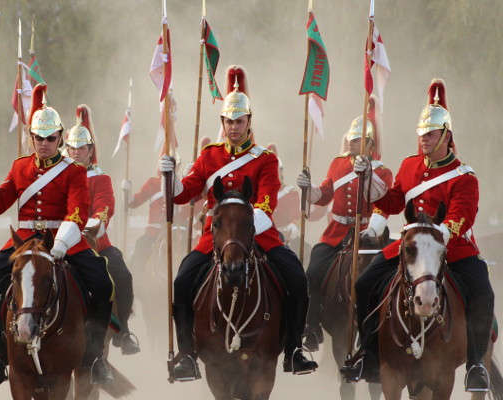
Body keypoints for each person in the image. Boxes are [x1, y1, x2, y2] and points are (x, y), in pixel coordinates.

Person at [340, 80, 494, 393]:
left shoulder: (464, 176)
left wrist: (435, 237)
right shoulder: (410, 166)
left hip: (454, 250)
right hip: (410, 245)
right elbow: (392, 202)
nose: (424, 140)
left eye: (431, 134)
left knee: (483, 293)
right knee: (364, 284)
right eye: (421, 134)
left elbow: (460, 219)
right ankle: (368, 355)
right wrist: (367, 177)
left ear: (446, 136)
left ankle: (476, 363)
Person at [165, 65, 317, 381]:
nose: (234, 127)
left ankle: (292, 349)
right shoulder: (209, 156)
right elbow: (186, 193)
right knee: (181, 284)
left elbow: (265, 203)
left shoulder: (265, 159)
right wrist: (169, 176)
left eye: (239, 121)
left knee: (298, 280)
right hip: (215, 238)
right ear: (222, 123)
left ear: (249, 122)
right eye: (229, 122)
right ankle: (187, 356)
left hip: (258, 235)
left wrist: (243, 231)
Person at [0, 84, 114, 386]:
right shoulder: (19, 167)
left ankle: (94, 358)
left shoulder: (74, 171)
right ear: (32, 138)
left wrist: (62, 244)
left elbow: (77, 211)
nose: (44, 143)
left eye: (51, 138)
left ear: (60, 138)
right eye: (39, 138)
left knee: (103, 284)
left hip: (63, 242)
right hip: (24, 242)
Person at [295, 99, 393, 351]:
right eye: (350, 138)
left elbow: (379, 196)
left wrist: (367, 172)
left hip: (368, 234)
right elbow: (325, 193)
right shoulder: (338, 164)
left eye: (357, 139)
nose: (351, 142)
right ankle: (312, 327)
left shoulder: (383, 171)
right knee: (314, 269)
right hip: (336, 233)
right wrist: (309, 189)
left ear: (370, 144)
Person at [64, 104, 140, 355]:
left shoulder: (100, 178)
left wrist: (90, 226)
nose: (76, 153)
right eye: (72, 148)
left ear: (90, 151)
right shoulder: (56, 177)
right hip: (59, 244)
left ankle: (123, 330)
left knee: (123, 276)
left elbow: (104, 208)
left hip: (94, 243)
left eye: (81, 148)